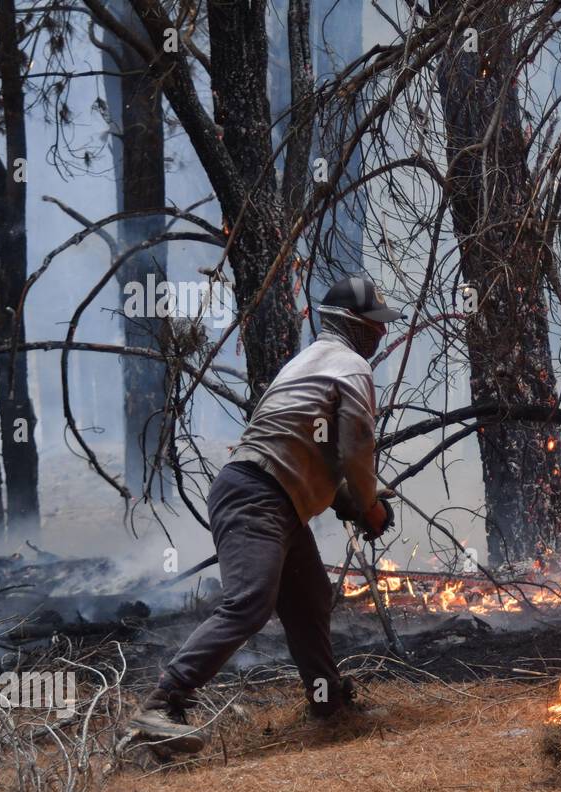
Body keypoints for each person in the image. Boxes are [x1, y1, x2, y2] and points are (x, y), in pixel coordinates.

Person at [130, 277, 399, 752]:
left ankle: (328, 706)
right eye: (375, 325)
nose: (381, 335)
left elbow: (309, 449)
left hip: (269, 496)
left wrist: (347, 501)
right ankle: (162, 701)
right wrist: (371, 507)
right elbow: (357, 448)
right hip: (259, 497)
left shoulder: (305, 364)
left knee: (309, 598)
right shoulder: (352, 368)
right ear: (353, 325)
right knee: (250, 603)